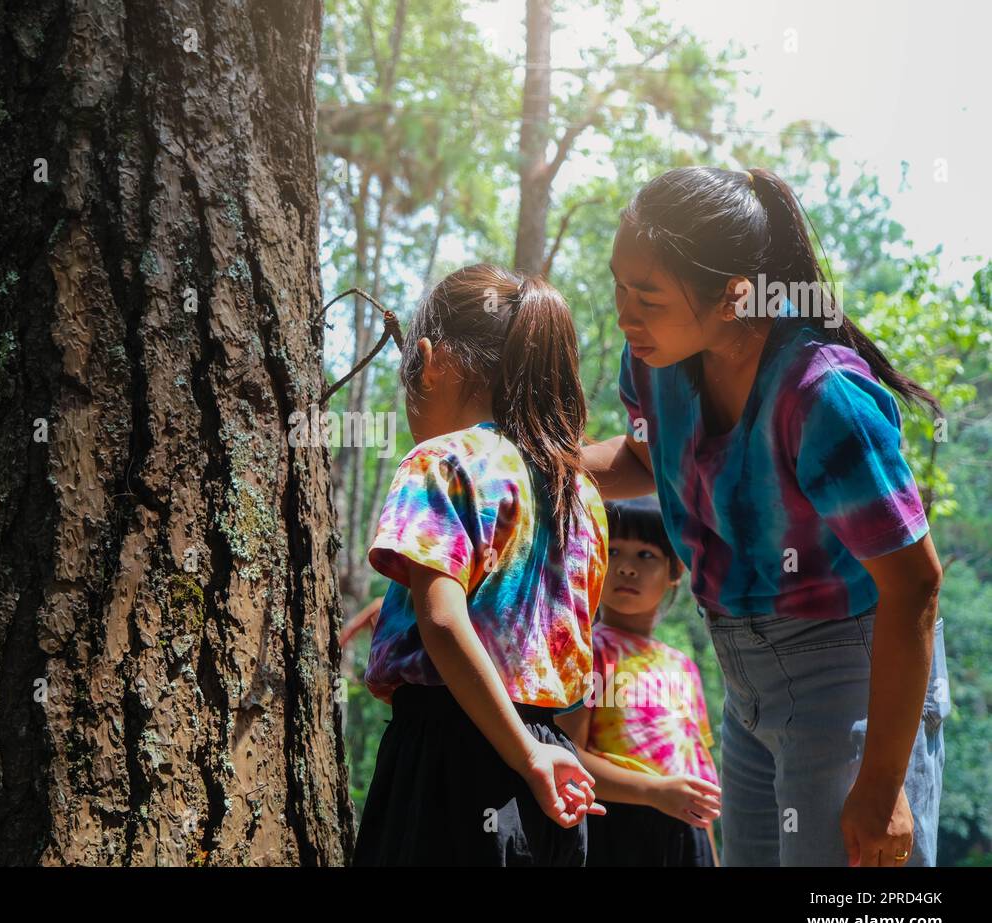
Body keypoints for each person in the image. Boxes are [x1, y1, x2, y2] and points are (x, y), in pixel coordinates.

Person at [583, 166, 948, 866]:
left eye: (648, 297)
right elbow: (645, 461)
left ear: (732, 296)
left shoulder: (822, 398)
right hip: (744, 681)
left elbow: (914, 588)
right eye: (618, 286)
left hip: (852, 676)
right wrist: (542, 462)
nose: (625, 314)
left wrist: (880, 785)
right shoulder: (658, 363)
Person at [345, 263, 609, 865]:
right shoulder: (580, 494)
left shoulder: (442, 461)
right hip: (548, 768)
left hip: (450, 754)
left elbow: (442, 622)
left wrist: (523, 753)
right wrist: (533, 753)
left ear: (431, 361)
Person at [555, 495, 721, 866]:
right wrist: (652, 791)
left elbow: (696, 771)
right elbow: (567, 757)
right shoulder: (586, 651)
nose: (627, 568)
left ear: (675, 571)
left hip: (687, 832)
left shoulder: (682, 666)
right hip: (614, 827)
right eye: (612, 552)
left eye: (646, 555)